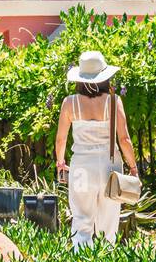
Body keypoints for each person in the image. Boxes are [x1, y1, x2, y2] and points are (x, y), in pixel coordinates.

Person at [55, 50, 138, 251]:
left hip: (81, 166)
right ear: (105, 77)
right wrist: (133, 167)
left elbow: (61, 139)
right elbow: (124, 139)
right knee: (108, 223)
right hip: (108, 166)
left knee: (81, 219)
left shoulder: (69, 102)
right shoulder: (113, 101)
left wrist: (60, 162)